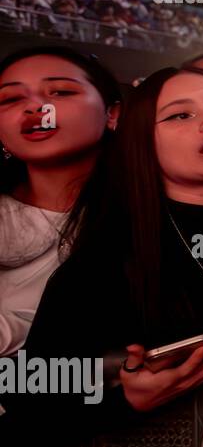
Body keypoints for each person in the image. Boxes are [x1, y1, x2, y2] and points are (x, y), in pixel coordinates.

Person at [0, 67, 203, 447]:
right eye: (181, 115)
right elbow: (20, 421)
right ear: (142, 142)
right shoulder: (104, 265)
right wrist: (125, 402)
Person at [0, 47, 120, 355]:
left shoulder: (145, 215)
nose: (36, 107)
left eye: (61, 92)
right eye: (11, 99)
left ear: (112, 113)